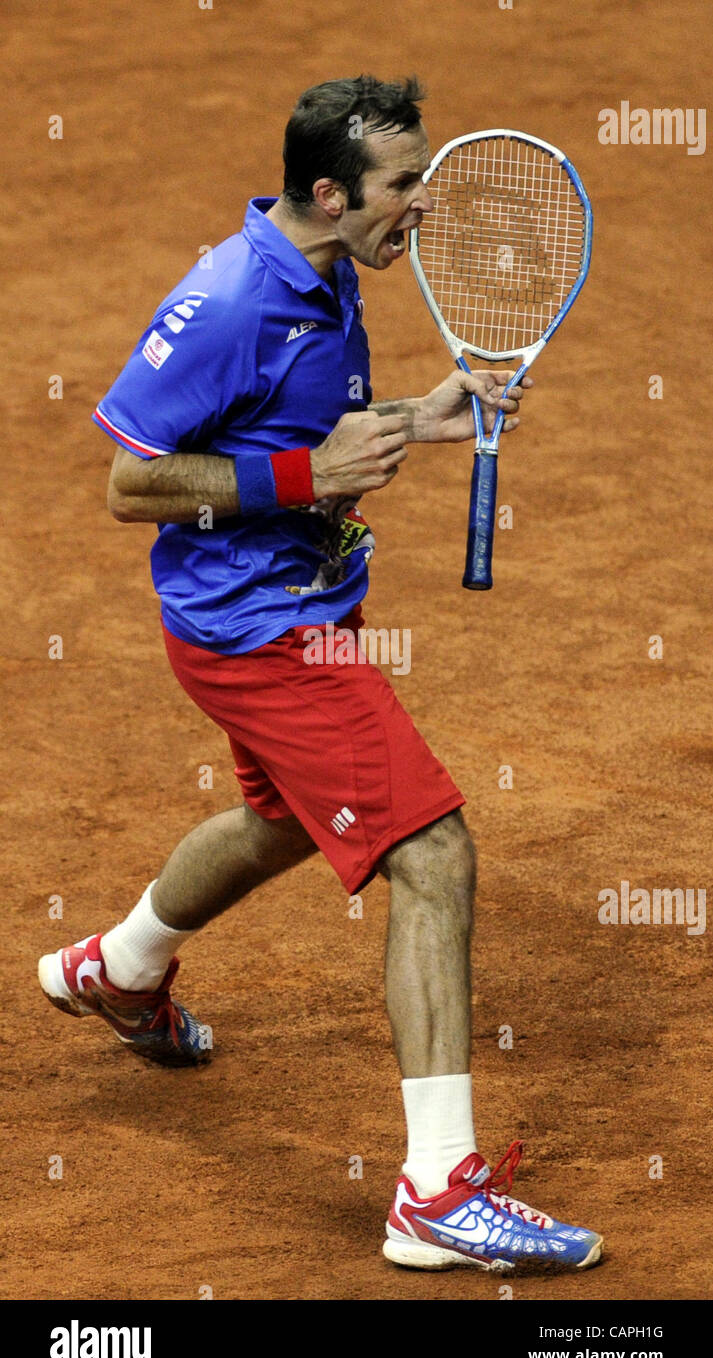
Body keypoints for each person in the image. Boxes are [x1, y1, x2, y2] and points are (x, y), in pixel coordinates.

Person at [38, 76, 602, 1273]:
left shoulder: (330, 269)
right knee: (434, 846)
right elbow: (129, 485)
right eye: (406, 186)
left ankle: (120, 968)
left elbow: (290, 435)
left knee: (279, 818)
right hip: (260, 635)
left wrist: (422, 417)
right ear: (334, 191)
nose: (424, 206)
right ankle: (434, 1194)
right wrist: (306, 482)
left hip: (297, 615)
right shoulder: (233, 297)